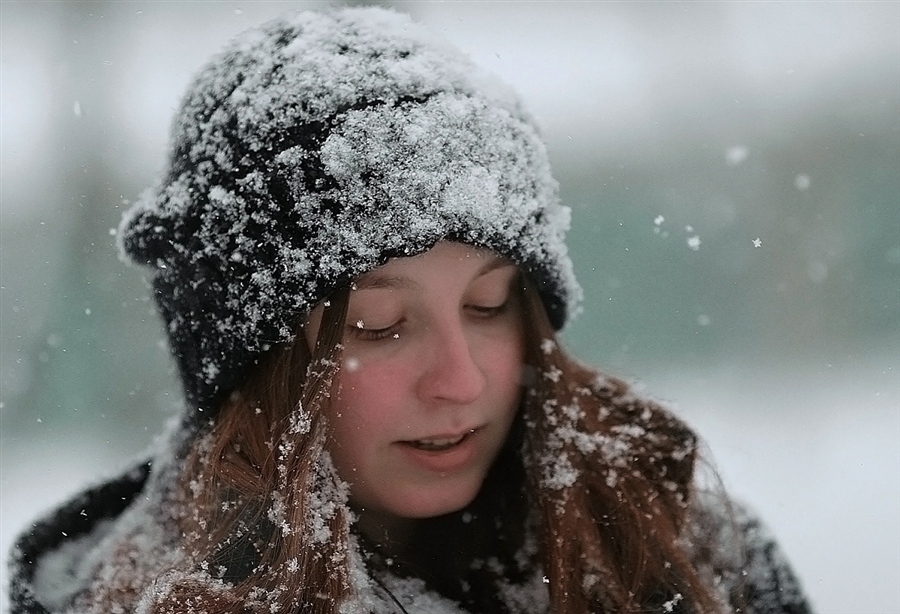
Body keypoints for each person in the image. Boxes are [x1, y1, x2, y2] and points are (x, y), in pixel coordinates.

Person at [9, 7, 812, 614]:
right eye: (379, 327)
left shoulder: (685, 561)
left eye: (491, 304)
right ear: (255, 368)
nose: (460, 381)